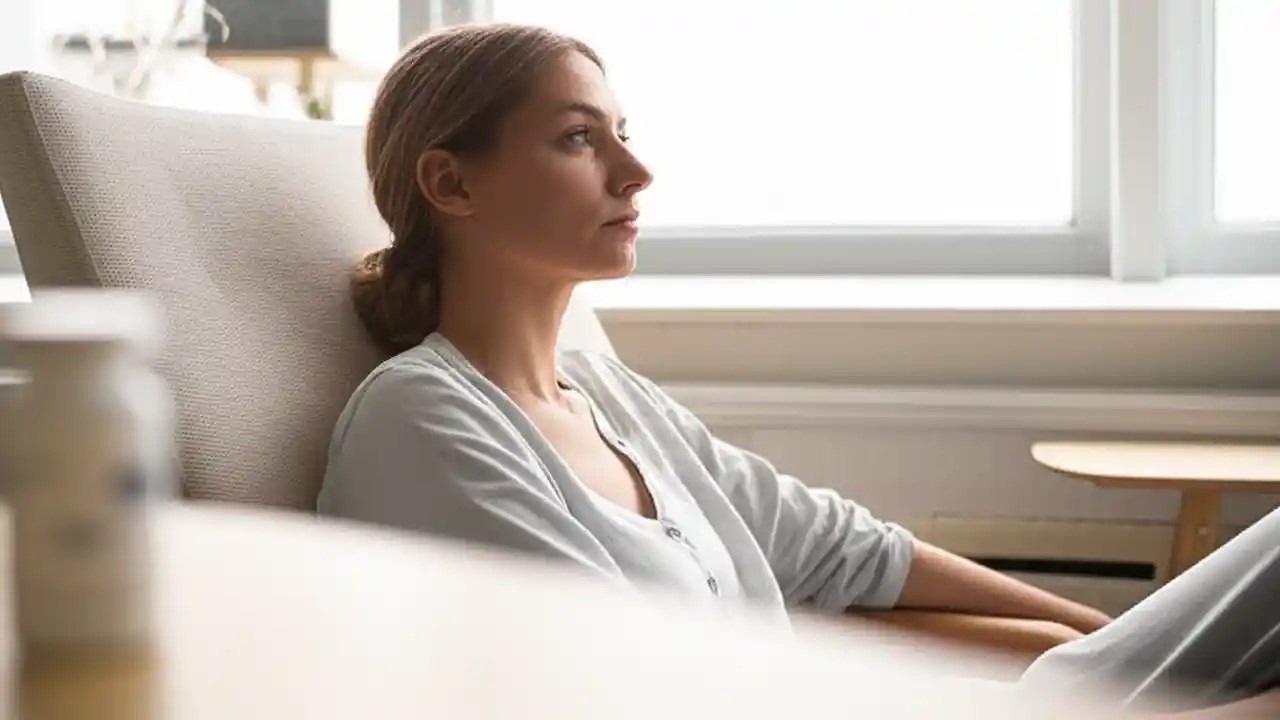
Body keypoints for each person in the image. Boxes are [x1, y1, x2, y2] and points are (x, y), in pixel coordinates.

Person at [316, 23, 1279, 716]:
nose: (634, 171)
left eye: (622, 131)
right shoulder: (422, 421)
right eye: (578, 137)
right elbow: (605, 682)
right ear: (451, 183)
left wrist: (1107, 644)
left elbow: (847, 551)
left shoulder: (612, 400)